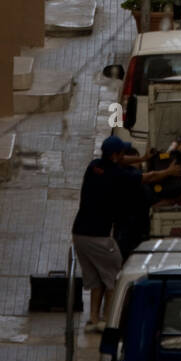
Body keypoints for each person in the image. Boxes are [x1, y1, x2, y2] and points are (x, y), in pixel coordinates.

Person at [71, 134, 131, 329]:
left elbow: (120, 161)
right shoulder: (118, 175)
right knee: (114, 275)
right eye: (122, 153)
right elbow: (146, 177)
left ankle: (93, 319)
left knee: (96, 280)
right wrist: (169, 171)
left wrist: (144, 158)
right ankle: (108, 320)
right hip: (99, 237)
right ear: (115, 155)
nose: (124, 156)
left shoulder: (93, 167)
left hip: (79, 235)